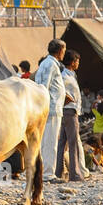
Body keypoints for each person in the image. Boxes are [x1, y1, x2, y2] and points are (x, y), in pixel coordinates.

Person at [33, 39, 66, 181]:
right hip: (51, 109)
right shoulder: (51, 64)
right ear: (60, 51)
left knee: (47, 141)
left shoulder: (48, 63)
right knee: (50, 142)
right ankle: (48, 173)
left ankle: (44, 171)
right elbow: (43, 87)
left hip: (51, 108)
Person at [56, 50, 86, 182]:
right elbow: (59, 91)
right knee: (72, 142)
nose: (78, 63)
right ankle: (75, 174)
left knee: (63, 142)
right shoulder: (64, 76)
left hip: (69, 111)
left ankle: (59, 172)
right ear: (73, 62)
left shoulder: (71, 75)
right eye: (77, 61)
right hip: (69, 111)